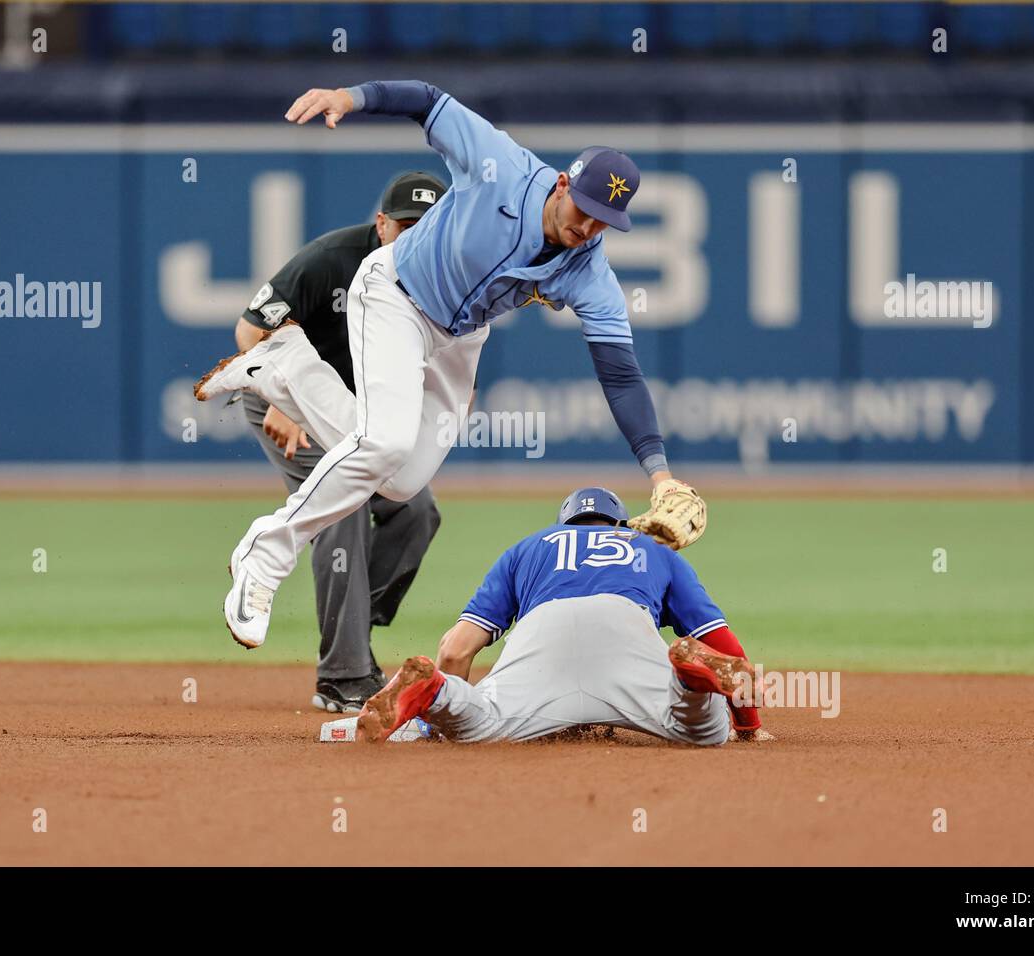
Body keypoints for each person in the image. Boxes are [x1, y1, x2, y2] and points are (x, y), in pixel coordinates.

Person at [195, 80, 707, 650]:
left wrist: (660, 474)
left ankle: (284, 363)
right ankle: (264, 556)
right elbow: (427, 100)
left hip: (460, 337)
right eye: (583, 210)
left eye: (603, 221)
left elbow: (620, 373)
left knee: (401, 481)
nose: (586, 228)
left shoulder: (589, 273)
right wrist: (351, 98)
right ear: (563, 184)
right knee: (384, 445)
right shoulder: (500, 165)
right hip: (395, 294)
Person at [234, 170, 449, 712]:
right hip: (291, 401)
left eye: (428, 227)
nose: (415, 236)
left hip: (360, 416)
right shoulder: (330, 259)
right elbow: (249, 332)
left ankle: (353, 620)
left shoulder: (442, 277)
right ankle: (343, 676)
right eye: (404, 226)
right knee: (342, 511)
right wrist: (283, 403)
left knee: (416, 510)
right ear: (381, 224)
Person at [356, 487, 766, 745]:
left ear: (561, 525)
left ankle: (436, 694)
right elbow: (724, 645)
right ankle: (689, 683)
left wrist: (436, 726)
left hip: (542, 634)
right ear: (618, 522)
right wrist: (748, 725)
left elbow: (456, 649)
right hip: (625, 629)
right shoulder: (652, 547)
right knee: (701, 729)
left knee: (479, 722)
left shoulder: (528, 547)